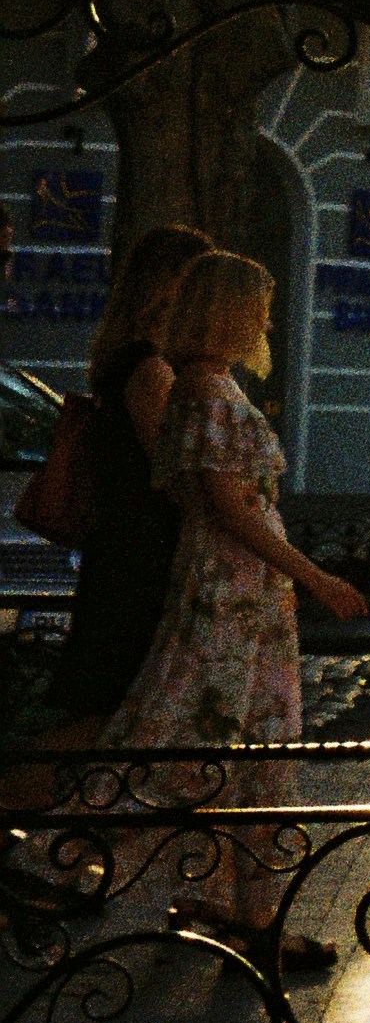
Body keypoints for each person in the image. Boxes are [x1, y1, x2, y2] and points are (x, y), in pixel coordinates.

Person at [104, 252, 368, 953]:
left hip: (232, 581)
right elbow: (227, 505)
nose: (268, 320)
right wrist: (314, 575)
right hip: (234, 585)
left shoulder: (202, 385)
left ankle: (217, 898)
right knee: (232, 735)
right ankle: (70, 857)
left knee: (222, 733)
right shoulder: (210, 390)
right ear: (229, 310)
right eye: (259, 305)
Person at [40, 215, 213, 741]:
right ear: (172, 287)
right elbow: (174, 464)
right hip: (137, 555)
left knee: (117, 708)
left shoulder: (135, 360)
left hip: (128, 546)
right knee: (109, 708)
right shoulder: (148, 368)